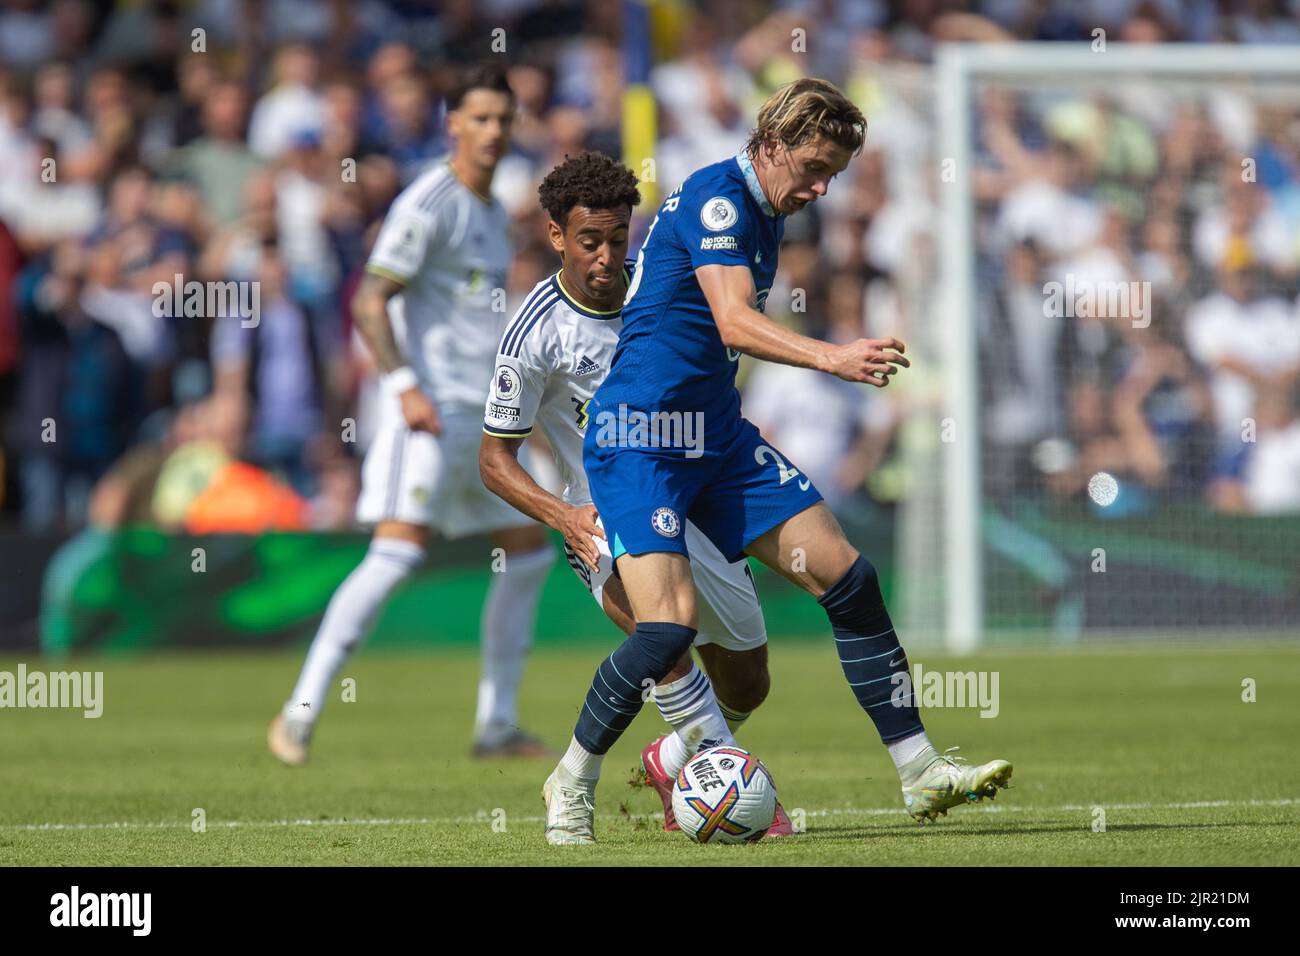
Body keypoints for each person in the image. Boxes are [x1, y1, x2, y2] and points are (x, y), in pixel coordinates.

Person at [543, 79, 1012, 844]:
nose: (822, 187)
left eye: (834, 174)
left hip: (717, 439)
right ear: (770, 145)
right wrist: (833, 357)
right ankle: (571, 779)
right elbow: (732, 321)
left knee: (849, 579)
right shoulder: (718, 200)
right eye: (814, 167)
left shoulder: (768, 212)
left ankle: (920, 769)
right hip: (639, 440)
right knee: (667, 632)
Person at [479, 151, 792, 835]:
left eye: (617, 238)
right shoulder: (535, 330)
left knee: (748, 680)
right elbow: (494, 460)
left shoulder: (662, 289)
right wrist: (564, 516)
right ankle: (586, 784)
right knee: (666, 644)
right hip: (606, 516)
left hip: (694, 501)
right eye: (589, 240)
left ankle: (669, 762)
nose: (605, 256)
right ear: (556, 235)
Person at [269, 64, 554, 765]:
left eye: (503, 119)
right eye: (479, 118)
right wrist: (403, 386)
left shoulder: (492, 213)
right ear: (452, 124)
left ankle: (497, 723)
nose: (492, 131)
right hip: (428, 411)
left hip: (486, 418)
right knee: (396, 554)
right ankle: (298, 713)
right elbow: (370, 299)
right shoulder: (429, 202)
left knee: (529, 550)